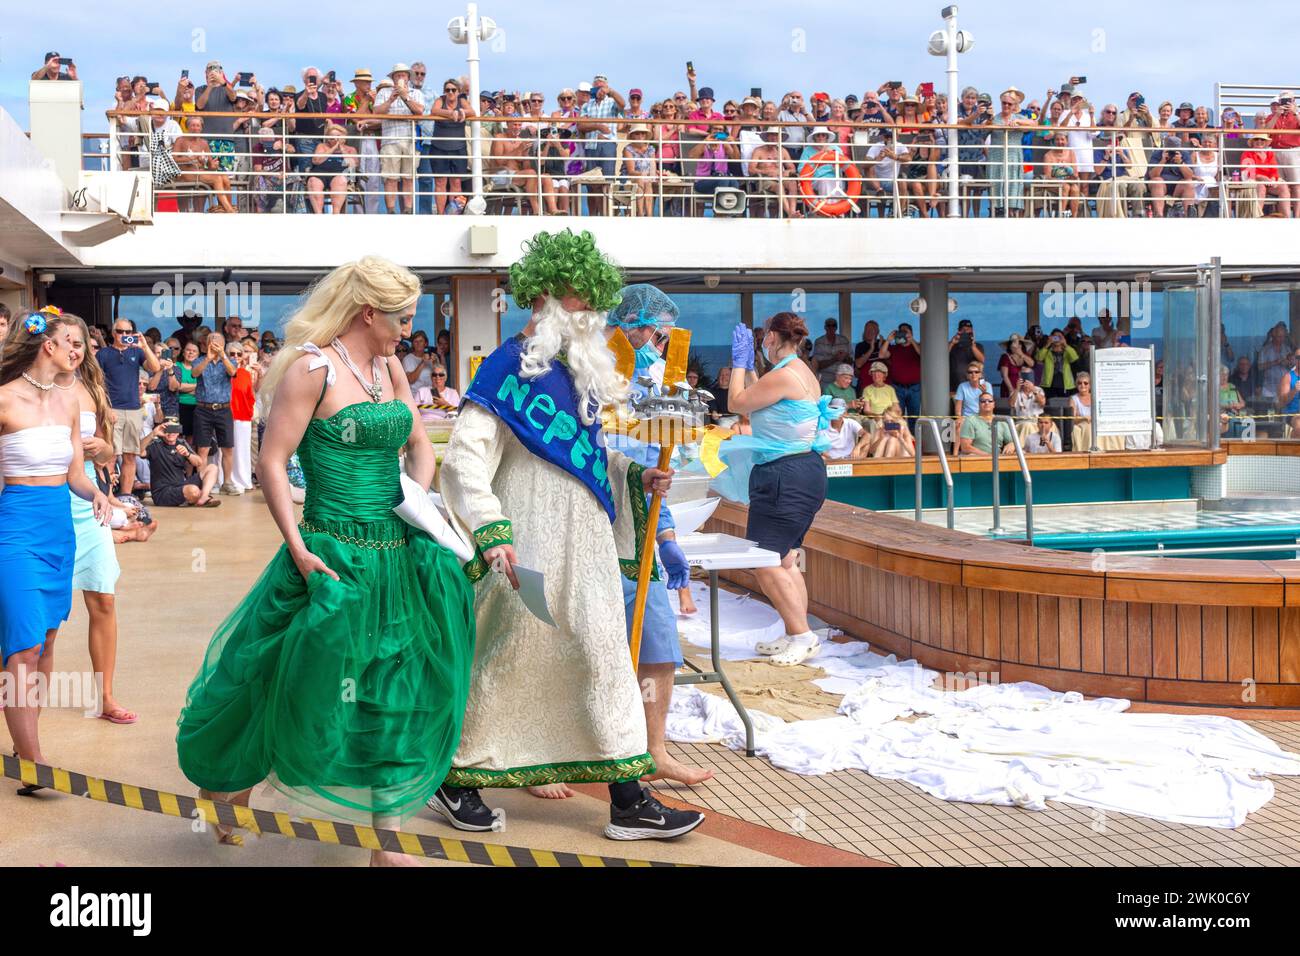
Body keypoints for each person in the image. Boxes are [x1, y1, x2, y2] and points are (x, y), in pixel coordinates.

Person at [176, 257, 475, 865]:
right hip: (330, 553)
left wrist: (416, 502)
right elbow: (272, 461)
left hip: (398, 552)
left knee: (397, 687)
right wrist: (298, 546)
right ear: (367, 312)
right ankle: (230, 783)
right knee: (284, 679)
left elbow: (418, 444)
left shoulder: (390, 366)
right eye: (400, 319)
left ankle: (386, 844)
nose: (408, 331)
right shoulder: (313, 369)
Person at [432, 232, 702, 840]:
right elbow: (464, 460)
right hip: (522, 548)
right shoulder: (506, 367)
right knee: (505, 657)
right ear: (549, 296)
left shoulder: (578, 371)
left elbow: (587, 461)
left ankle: (630, 801)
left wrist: (633, 476)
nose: (594, 315)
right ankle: (456, 775)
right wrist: (490, 529)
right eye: (585, 302)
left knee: (604, 655)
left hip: (587, 550)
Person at [599, 284, 713, 787]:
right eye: (656, 334)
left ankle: (654, 749)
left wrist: (666, 537)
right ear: (633, 326)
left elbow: (654, 468)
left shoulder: (655, 384)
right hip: (592, 527)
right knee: (578, 640)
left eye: (664, 337)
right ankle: (553, 753)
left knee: (658, 638)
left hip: (639, 533)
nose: (660, 344)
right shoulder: (595, 376)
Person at [1, 308, 111, 786]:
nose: (79, 351)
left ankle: (25, 742)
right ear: (48, 345)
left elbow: (75, 475)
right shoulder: (4, 399)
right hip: (15, 530)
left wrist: (97, 494)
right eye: (73, 343)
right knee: (23, 646)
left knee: (45, 641)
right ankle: (34, 762)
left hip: (58, 530)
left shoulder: (69, 403)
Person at [704, 311, 838, 667]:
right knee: (785, 559)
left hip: (785, 476)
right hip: (803, 470)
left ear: (774, 338)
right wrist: (750, 368)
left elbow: (736, 404)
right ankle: (796, 632)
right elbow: (758, 396)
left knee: (763, 561)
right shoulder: (798, 370)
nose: (762, 341)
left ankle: (802, 635)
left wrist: (737, 364)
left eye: (764, 336)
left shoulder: (785, 376)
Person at [55, 312, 136, 725]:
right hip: (45, 498)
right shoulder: (26, 389)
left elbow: (108, 452)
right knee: (38, 608)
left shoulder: (92, 390)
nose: (73, 350)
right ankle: (11, 687)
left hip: (89, 502)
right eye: (65, 342)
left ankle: (105, 696)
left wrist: (102, 448)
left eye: (79, 343)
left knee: (103, 597)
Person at [97, 317, 163, 497]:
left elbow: (155, 367)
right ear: (113, 333)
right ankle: (108, 497)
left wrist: (144, 346)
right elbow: (96, 384)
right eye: (120, 331)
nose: (124, 335)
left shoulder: (137, 351)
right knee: (110, 456)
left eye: (128, 332)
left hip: (134, 410)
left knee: (130, 455)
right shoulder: (103, 354)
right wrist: (105, 408)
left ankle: (126, 496)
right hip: (112, 410)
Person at [190, 330, 239, 493]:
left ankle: (227, 482)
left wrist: (222, 356)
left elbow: (233, 372)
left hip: (223, 409)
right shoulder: (199, 360)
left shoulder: (230, 361)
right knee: (202, 449)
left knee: (227, 448)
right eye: (212, 341)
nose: (215, 344)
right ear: (206, 344)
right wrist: (208, 358)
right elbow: (194, 373)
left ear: (223, 344)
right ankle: (204, 483)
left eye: (218, 341)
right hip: (203, 409)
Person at [143, 418, 220, 506]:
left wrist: (188, 454)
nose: (171, 433)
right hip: (163, 492)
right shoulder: (155, 444)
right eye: (168, 429)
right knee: (193, 490)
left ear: (178, 431)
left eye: (174, 429)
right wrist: (153, 433)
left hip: (181, 485)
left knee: (212, 468)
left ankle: (203, 497)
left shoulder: (181, 443)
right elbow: (139, 452)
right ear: (163, 430)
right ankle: (194, 498)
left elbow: (199, 462)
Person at [229, 338, 257, 491]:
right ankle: (225, 480)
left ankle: (243, 480)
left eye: (239, 354)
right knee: (225, 451)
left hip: (243, 416)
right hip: (225, 415)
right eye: (232, 354)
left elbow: (251, 394)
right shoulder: (222, 371)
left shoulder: (246, 373)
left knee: (242, 451)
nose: (235, 357)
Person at [959, 392, 1014, 456]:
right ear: (979, 404)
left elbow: (1013, 441)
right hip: (976, 458)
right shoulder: (970, 420)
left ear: (994, 404)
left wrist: (1012, 444)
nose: (987, 403)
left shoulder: (1001, 421)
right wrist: (988, 456)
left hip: (997, 458)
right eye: (983, 401)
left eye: (990, 401)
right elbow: (965, 447)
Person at [812, 317, 851, 385]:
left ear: (836, 328)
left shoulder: (844, 341)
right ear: (825, 327)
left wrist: (845, 358)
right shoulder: (819, 342)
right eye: (828, 325)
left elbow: (851, 362)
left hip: (843, 381)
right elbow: (817, 365)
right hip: (825, 382)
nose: (831, 327)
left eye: (833, 325)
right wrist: (835, 359)